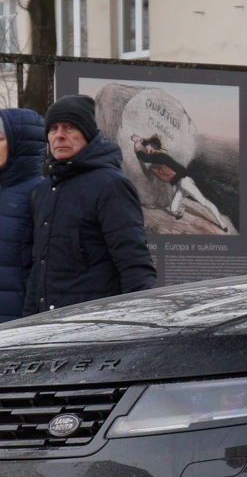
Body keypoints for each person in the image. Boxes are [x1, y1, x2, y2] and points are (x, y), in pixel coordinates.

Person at [25, 94, 156, 315]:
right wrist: (28, 322)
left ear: (87, 132)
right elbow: (39, 270)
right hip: (48, 325)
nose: (59, 135)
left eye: (69, 127)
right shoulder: (44, 190)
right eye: (53, 128)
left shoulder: (110, 186)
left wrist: (132, 324)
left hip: (94, 325)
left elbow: (134, 266)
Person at [0, 107, 50, 329]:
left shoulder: (39, 193)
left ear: (21, 146)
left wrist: (29, 322)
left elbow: (42, 269)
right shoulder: (1, 192)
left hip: (24, 326)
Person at [132, 134, 236, 233]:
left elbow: (145, 158)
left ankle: (222, 224)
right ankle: (181, 210)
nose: (146, 148)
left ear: (152, 147)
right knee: (173, 209)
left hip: (184, 182)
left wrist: (136, 148)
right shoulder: (159, 154)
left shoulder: (159, 156)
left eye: (147, 146)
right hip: (180, 185)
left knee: (204, 203)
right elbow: (150, 147)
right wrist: (141, 140)